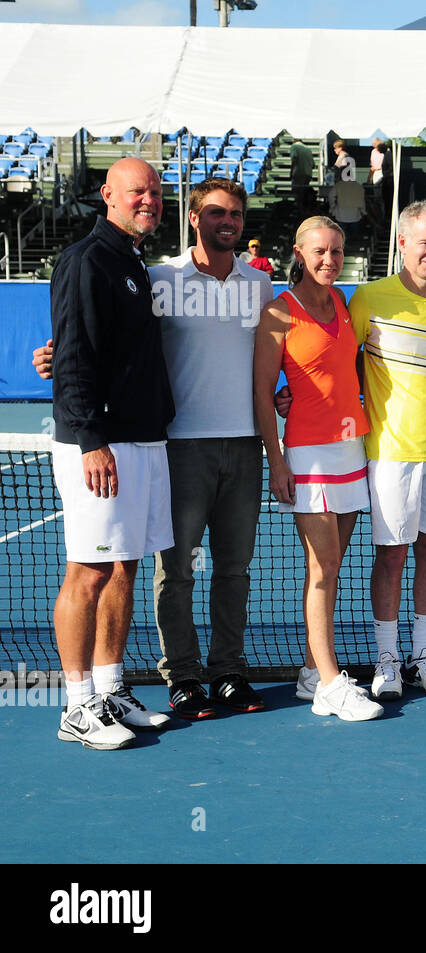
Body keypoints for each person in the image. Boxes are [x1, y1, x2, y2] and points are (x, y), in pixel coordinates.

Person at [47, 157, 175, 749]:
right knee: (89, 571)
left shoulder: (132, 261)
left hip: (144, 439)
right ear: (107, 195)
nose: (147, 199)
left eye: (153, 191)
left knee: (125, 567)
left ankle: (110, 689)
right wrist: (91, 440)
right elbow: (72, 355)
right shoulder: (86, 259)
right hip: (102, 444)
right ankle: (76, 707)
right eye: (135, 191)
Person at [150, 181, 273, 718]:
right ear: (195, 217)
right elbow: (118, 345)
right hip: (179, 449)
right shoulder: (160, 279)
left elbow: (271, 361)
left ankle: (228, 669)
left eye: (237, 214)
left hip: (245, 447)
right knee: (175, 570)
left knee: (234, 569)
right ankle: (182, 676)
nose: (228, 221)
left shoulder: (262, 286)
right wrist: (58, 357)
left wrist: (281, 391)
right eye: (217, 212)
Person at [253, 216, 382, 722]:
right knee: (322, 568)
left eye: (337, 251)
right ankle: (330, 683)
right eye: (320, 252)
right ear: (300, 254)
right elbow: (264, 392)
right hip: (306, 454)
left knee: (332, 567)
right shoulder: (277, 313)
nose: (330, 260)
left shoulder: (345, 305)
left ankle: (311, 672)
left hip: (353, 448)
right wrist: (276, 459)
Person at [350, 202, 426, 701]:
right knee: (392, 557)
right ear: (402, 243)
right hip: (390, 450)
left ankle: (423, 655)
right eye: (424, 243)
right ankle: (388, 660)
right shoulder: (370, 297)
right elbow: (341, 363)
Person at [289, 137, 315, 212]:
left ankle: (298, 210)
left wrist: (291, 171)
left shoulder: (294, 146)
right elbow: (313, 165)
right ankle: (304, 210)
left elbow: (294, 158)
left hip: (299, 173)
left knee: (297, 194)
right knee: (304, 193)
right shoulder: (307, 149)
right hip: (308, 174)